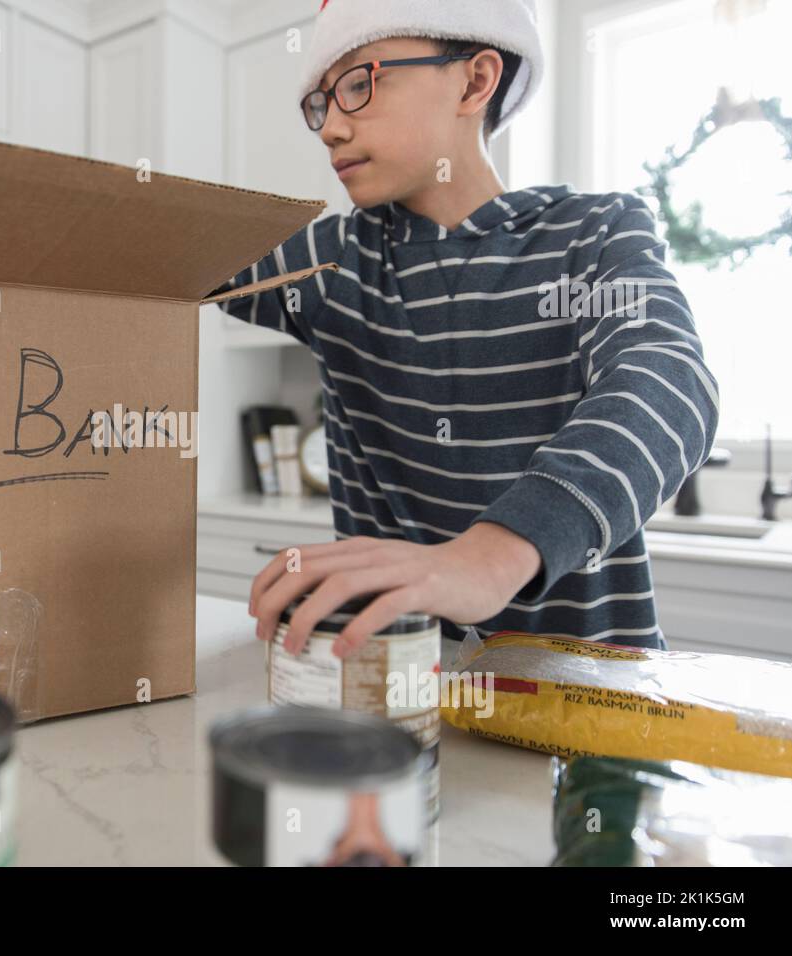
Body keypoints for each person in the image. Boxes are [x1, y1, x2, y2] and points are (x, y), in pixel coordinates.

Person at [216, 0, 719, 656]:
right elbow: (161, 259)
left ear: (475, 81)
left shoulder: (595, 233)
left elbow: (670, 380)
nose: (331, 127)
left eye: (360, 84)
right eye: (320, 103)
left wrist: (493, 553)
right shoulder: (332, 261)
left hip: (592, 705)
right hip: (396, 696)